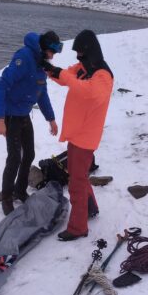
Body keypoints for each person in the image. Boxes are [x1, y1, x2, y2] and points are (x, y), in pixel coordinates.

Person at [42, 30, 114, 241]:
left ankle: (78, 227)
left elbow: (88, 92)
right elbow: (68, 78)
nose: (78, 57)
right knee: (78, 175)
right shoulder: (85, 67)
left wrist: (63, 75)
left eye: (81, 52)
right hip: (77, 133)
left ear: (90, 51)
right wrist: (50, 70)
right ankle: (90, 208)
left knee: (76, 181)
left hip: (86, 137)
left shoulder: (103, 75)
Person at [0, 31, 60, 216]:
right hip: (10, 116)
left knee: (29, 154)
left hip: (24, 115)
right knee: (14, 158)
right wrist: (0, 120)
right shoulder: (23, 58)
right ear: (44, 48)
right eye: (52, 52)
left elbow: (42, 94)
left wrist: (51, 119)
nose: (53, 56)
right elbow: (1, 86)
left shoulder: (40, 65)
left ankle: (20, 191)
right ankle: (7, 199)